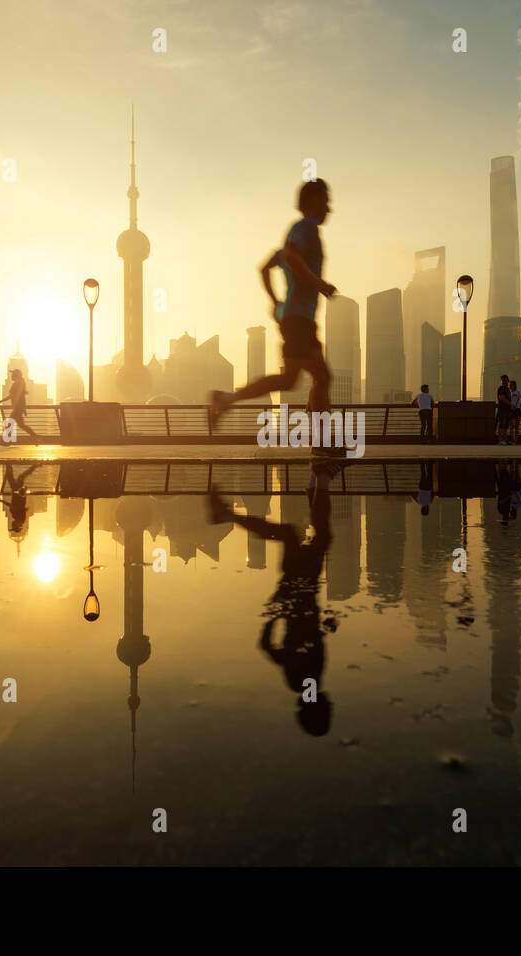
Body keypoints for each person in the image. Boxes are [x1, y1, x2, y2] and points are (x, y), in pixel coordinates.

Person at [207, 461, 341, 736]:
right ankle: (317, 484)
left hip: (298, 587)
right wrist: (321, 625)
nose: (329, 706)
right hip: (301, 591)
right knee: (307, 535)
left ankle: (320, 480)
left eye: (325, 711)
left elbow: (271, 645)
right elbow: (283, 645)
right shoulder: (306, 681)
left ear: (315, 709)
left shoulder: (301, 680)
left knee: (310, 535)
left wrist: (277, 608)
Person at [210, 179, 336, 431]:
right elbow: (291, 257)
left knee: (292, 380)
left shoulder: (294, 234)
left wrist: (275, 301)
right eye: (325, 200)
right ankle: (321, 438)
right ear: (312, 201)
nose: (329, 208)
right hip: (298, 318)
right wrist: (319, 284)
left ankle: (225, 399)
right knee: (321, 376)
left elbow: (266, 267)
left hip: (296, 318)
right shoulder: (307, 228)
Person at [0, 368, 39, 444]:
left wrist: (0, 401)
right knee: (21, 425)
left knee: (9, 423)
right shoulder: (21, 384)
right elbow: (22, 398)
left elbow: (11, 396)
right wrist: (24, 409)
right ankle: (35, 436)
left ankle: (7, 441)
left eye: (13, 374)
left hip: (17, 408)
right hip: (19, 408)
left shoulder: (16, 384)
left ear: (16, 375)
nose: (11, 376)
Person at [495, 374, 513, 445]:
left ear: (507, 381)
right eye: (502, 380)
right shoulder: (501, 388)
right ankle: (500, 440)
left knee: (505, 425)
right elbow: (501, 397)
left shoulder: (508, 389)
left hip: (507, 410)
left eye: (504, 380)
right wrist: (511, 404)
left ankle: (505, 440)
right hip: (502, 409)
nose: (503, 382)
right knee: (502, 425)